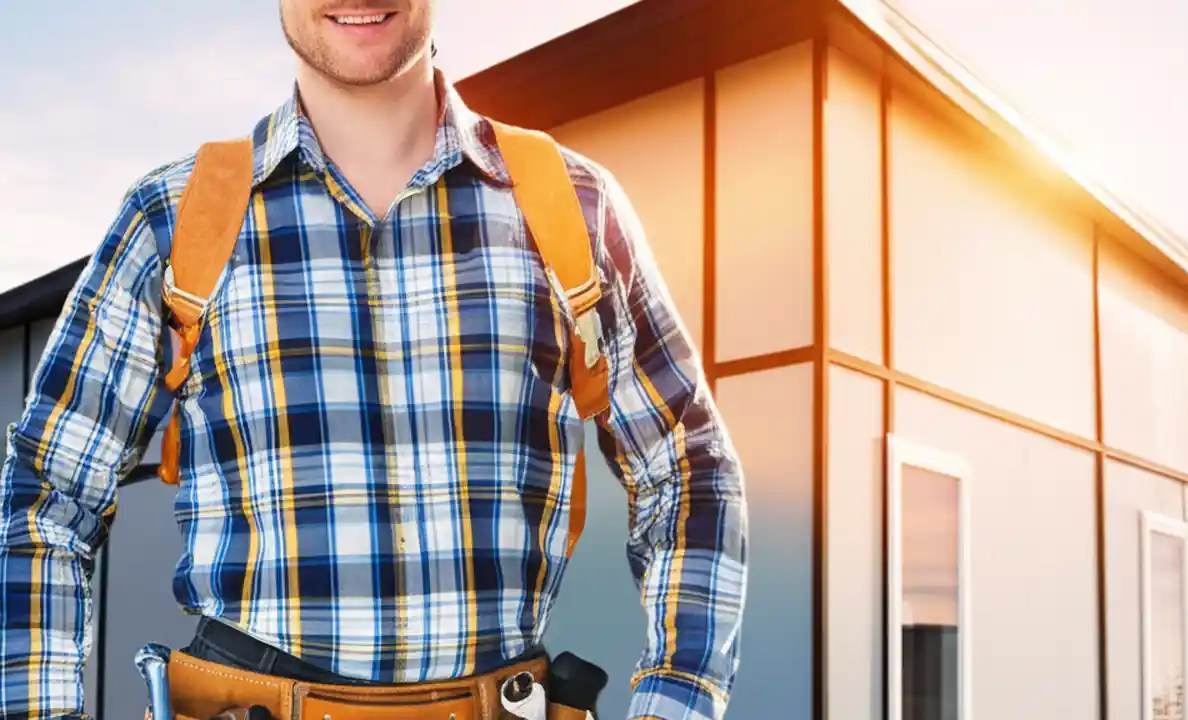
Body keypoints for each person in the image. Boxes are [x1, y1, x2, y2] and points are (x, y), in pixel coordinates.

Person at [0, 2, 747, 719]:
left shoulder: (576, 206)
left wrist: (676, 699)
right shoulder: (172, 218)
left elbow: (689, 468)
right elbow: (49, 494)